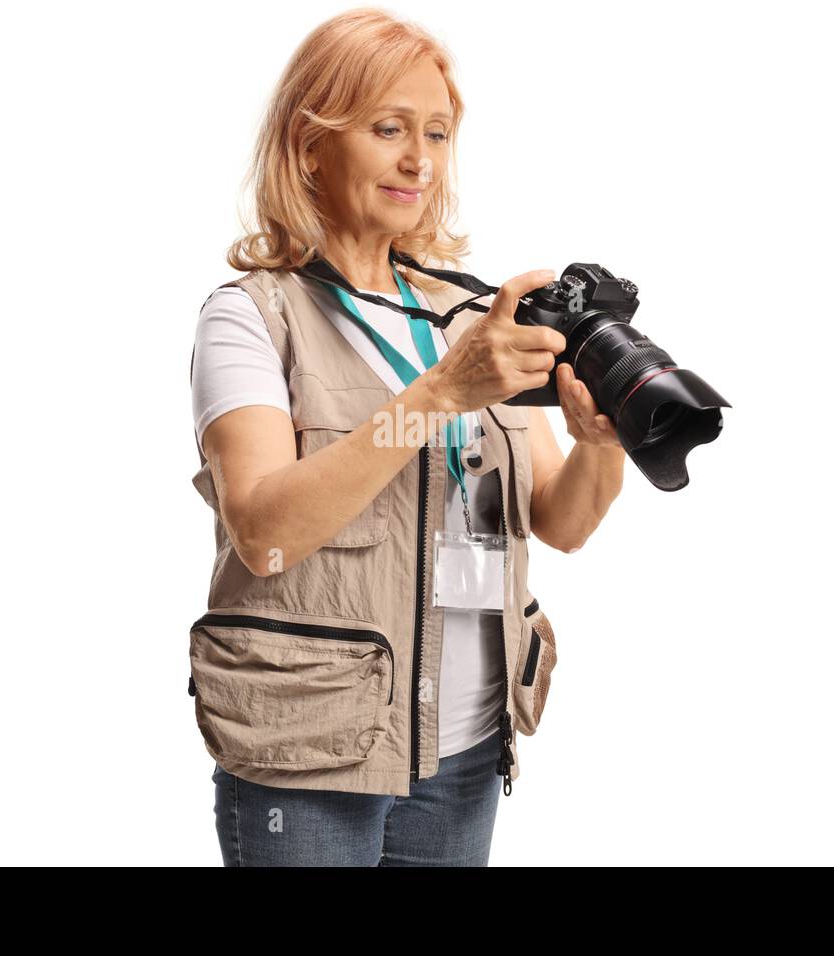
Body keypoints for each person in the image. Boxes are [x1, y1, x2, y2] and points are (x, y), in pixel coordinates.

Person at [188, 8, 625, 867]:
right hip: (310, 757)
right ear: (310, 144)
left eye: (436, 132)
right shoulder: (250, 317)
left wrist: (599, 439)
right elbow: (265, 532)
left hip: (462, 748)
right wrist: (441, 391)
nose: (419, 160)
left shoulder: (466, 313)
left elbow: (562, 522)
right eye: (388, 128)